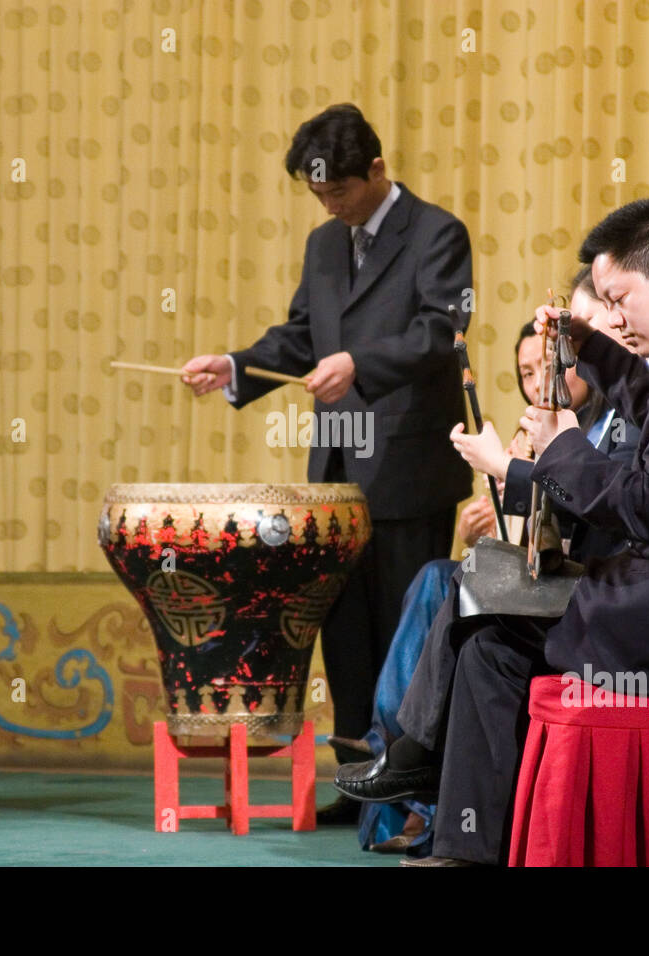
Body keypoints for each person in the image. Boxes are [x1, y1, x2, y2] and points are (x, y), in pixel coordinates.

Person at [334, 197, 649, 865]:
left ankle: (440, 801)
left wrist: (561, 445)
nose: (611, 315)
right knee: (485, 608)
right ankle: (445, 809)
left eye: (617, 300)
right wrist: (590, 349)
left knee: (485, 615)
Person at [180, 104, 474, 820]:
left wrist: (357, 363)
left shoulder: (437, 233)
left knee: (408, 634)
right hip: (338, 476)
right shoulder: (323, 244)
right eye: (318, 194)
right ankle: (357, 780)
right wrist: (236, 366)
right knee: (344, 633)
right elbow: (304, 334)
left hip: (409, 470)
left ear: (376, 169)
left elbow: (442, 331)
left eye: (340, 190)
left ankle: (409, 791)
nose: (331, 204)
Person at [351, 268, 642, 855]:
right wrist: (505, 482)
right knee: (472, 607)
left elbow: (603, 512)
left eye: (565, 352)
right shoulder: (562, 424)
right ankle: (454, 833)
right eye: (530, 371)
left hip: (621, 602)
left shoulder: (630, 412)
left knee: (462, 584)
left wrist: (511, 475)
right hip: (576, 585)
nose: (546, 378)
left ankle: (408, 752)